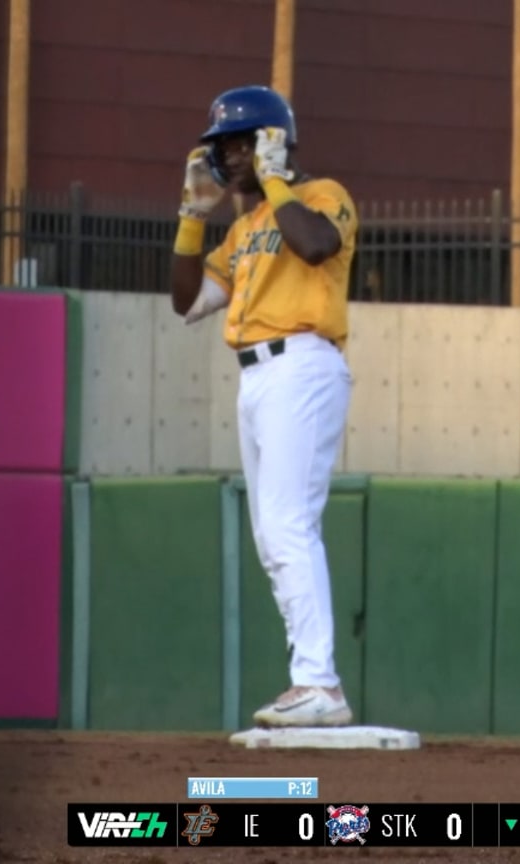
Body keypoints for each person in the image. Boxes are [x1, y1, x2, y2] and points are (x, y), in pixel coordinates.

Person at [169, 85, 358, 728]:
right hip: (256, 378)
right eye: (222, 145)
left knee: (287, 525)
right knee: (272, 534)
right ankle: (311, 679)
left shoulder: (322, 195)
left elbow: (315, 245)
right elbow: (187, 301)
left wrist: (277, 182)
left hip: (302, 362)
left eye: (241, 141)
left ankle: (319, 682)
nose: (229, 154)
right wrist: (191, 217)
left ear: (275, 140)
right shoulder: (245, 228)